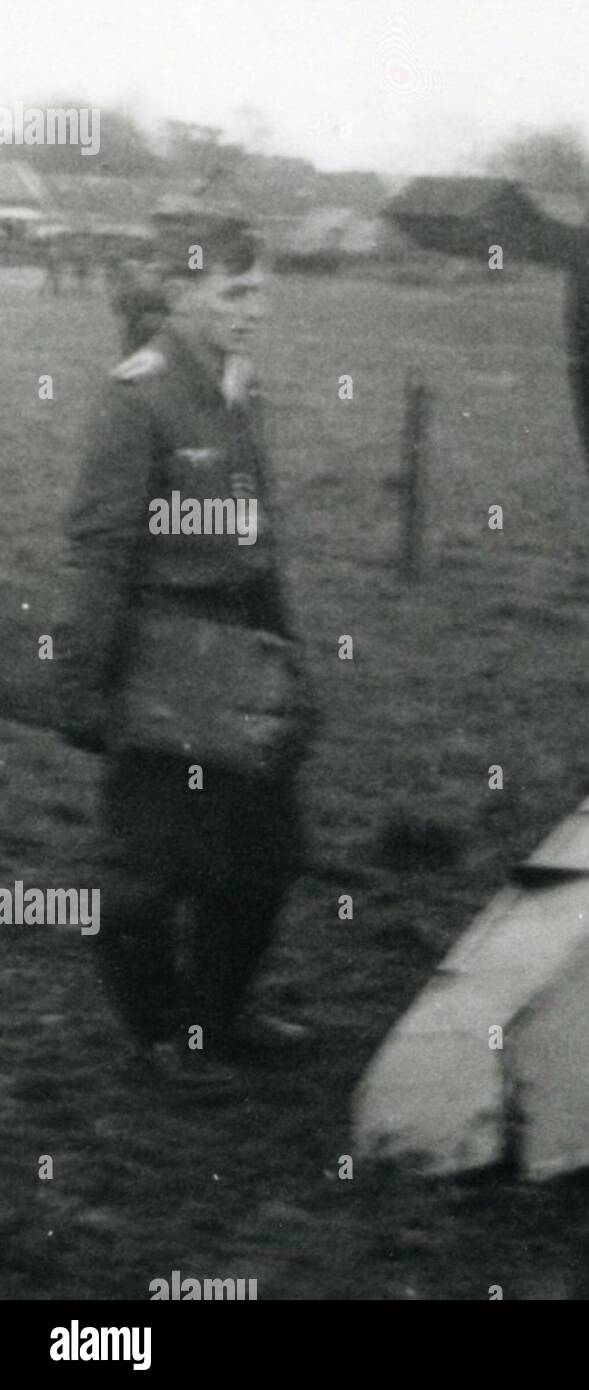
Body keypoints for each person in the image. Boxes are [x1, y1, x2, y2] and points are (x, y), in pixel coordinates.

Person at [59, 197, 317, 1090]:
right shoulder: (138, 398)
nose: (254, 309)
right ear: (179, 293)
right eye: (234, 291)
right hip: (163, 664)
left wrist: (287, 655)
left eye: (260, 293)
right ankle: (163, 1035)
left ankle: (219, 1015)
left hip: (243, 658)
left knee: (261, 857)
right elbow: (99, 550)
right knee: (144, 871)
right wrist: (87, 686)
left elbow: (257, 543)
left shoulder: (238, 389)